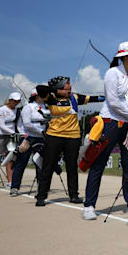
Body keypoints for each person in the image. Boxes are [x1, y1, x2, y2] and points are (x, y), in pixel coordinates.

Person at [81, 42, 128, 220]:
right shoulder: (112, 73)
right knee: (99, 163)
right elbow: (113, 101)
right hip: (111, 121)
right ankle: (89, 205)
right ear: (126, 56)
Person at [34, 77, 104, 207]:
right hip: (54, 136)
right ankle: (41, 196)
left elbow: (95, 98)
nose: (70, 89)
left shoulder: (74, 98)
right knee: (48, 166)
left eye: (70, 87)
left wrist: (108, 97)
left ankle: (74, 195)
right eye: (67, 87)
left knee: (72, 167)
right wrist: (55, 90)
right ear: (58, 89)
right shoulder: (50, 97)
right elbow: (39, 88)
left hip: (73, 137)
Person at [9, 91, 48, 196]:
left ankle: (41, 188)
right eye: (42, 95)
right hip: (28, 137)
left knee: (40, 163)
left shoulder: (46, 107)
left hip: (41, 138)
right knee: (22, 162)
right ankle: (14, 187)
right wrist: (40, 131)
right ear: (36, 96)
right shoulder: (28, 107)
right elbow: (27, 123)